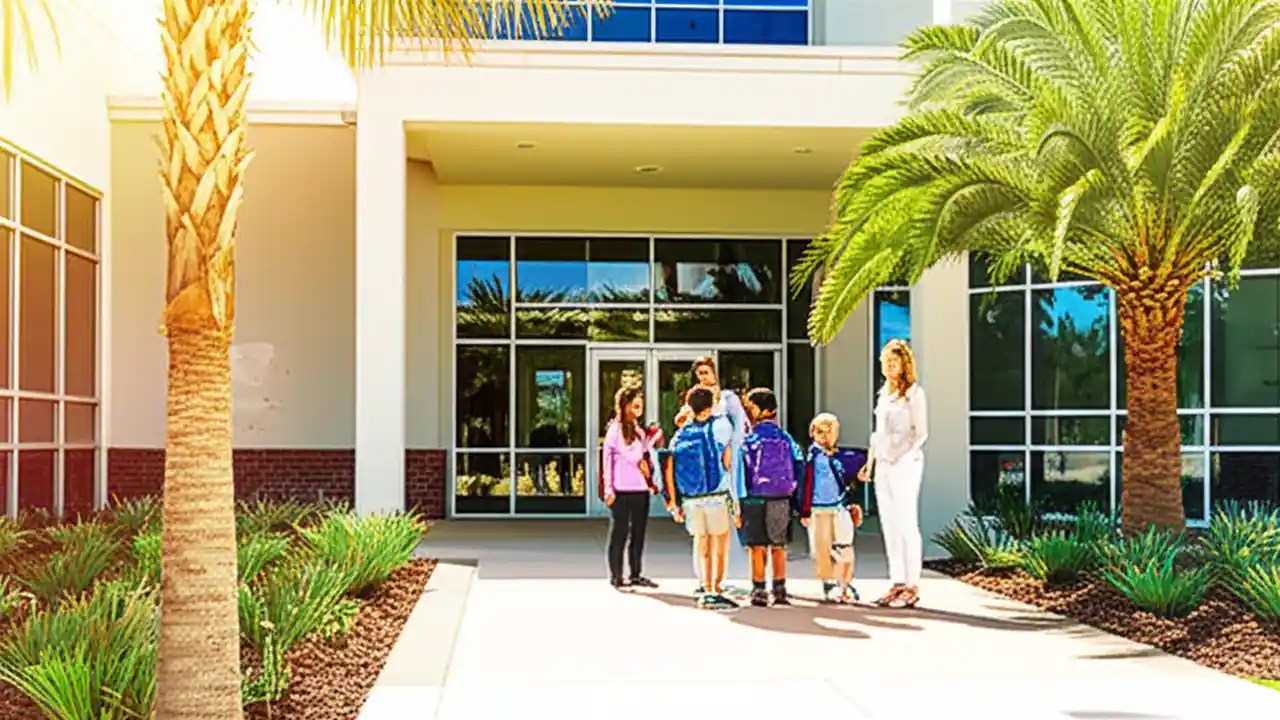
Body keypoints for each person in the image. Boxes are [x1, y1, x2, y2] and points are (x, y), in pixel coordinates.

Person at [859, 339, 929, 609]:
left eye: (894, 361)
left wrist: (903, 456)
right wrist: (871, 463)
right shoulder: (883, 395)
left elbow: (921, 433)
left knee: (906, 523)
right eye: (885, 361)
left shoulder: (914, 394)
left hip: (906, 464)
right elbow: (877, 435)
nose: (889, 366)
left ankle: (912, 584)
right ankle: (897, 582)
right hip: (884, 464)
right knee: (889, 524)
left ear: (904, 363)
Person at [675, 356, 750, 591]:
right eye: (700, 374)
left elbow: (741, 430)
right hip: (717, 483)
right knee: (716, 536)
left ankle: (709, 582)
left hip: (701, 488)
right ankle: (712, 584)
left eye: (706, 372)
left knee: (704, 537)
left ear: (715, 372)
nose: (703, 378)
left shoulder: (727, 399)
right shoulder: (702, 409)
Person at [664, 386, 739, 610]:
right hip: (716, 494)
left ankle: (705, 588)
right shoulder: (721, 427)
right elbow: (727, 461)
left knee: (702, 544)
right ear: (710, 405)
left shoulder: (680, 434)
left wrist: (674, 501)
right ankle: (716, 589)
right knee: (720, 544)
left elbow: (669, 465)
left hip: (691, 498)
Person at [739, 387, 804, 607]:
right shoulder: (785, 437)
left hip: (755, 496)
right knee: (778, 545)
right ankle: (780, 588)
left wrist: (740, 498)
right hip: (781, 497)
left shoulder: (751, 438)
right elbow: (798, 464)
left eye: (751, 407)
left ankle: (758, 588)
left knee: (757, 545)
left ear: (763, 410)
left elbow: (744, 469)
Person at [797, 413, 864, 604]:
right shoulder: (811, 457)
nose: (825, 436)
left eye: (829, 432)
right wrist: (804, 509)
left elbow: (853, 474)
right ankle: (829, 583)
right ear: (812, 433)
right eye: (820, 432)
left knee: (844, 547)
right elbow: (805, 484)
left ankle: (844, 582)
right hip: (818, 509)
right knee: (822, 549)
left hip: (839, 507)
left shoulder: (839, 457)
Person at [602, 385, 660, 590]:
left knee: (639, 533)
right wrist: (608, 489)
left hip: (640, 489)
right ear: (624, 405)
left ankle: (636, 573)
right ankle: (616, 576)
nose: (639, 406)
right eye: (634, 402)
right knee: (619, 532)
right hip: (621, 490)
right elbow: (625, 456)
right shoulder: (616, 429)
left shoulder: (638, 429)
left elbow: (645, 456)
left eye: (640, 403)